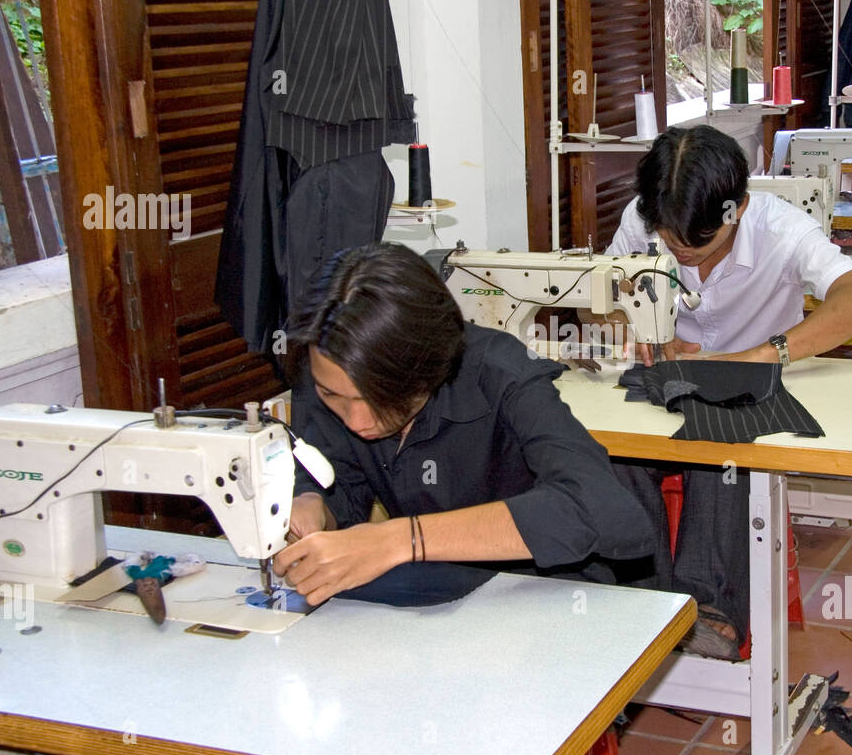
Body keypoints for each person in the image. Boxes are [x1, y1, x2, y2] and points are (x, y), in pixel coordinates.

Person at [600, 125, 852, 658]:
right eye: (668, 240)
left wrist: (762, 354)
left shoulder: (782, 229)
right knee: (613, 449)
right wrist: (629, 326)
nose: (680, 254)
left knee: (720, 443)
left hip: (747, 399)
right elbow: (599, 296)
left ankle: (710, 610)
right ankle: (646, 603)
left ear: (738, 209)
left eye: (696, 244)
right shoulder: (642, 220)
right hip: (662, 385)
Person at [273, 243, 655, 606]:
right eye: (333, 397)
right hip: (435, 595)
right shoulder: (326, 372)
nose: (357, 421)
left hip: (545, 595)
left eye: (378, 398)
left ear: (430, 364)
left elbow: (603, 511)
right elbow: (339, 479)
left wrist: (401, 539)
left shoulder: (500, 373)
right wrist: (313, 505)